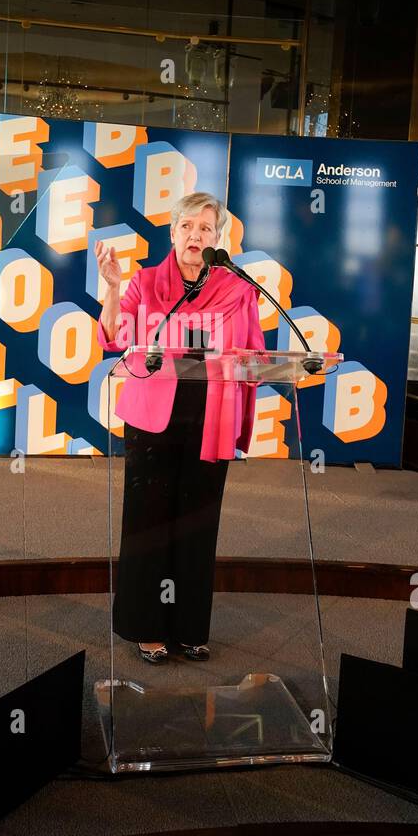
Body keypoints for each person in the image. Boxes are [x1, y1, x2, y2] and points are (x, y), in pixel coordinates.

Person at [95, 191, 265, 664]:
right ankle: (147, 627)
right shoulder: (145, 284)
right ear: (172, 234)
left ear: (218, 240)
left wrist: (241, 425)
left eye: (205, 229)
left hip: (210, 418)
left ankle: (189, 627)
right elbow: (114, 338)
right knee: (148, 523)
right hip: (153, 419)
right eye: (187, 227)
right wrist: (111, 288)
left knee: (198, 523)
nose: (195, 236)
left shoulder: (238, 291)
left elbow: (252, 358)